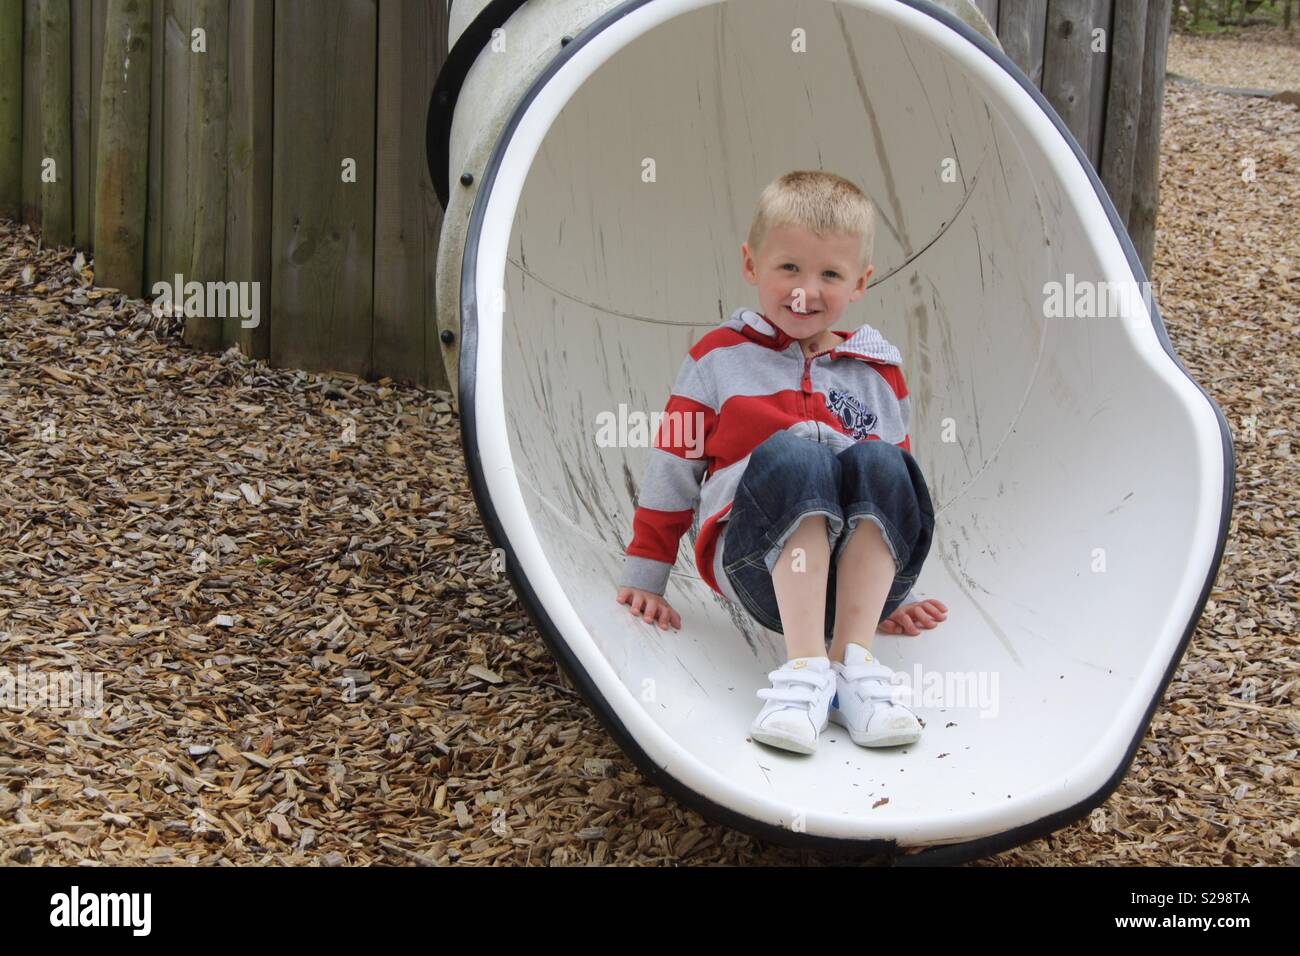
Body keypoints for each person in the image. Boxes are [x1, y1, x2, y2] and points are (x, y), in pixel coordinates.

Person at [615, 170, 946, 755]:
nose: (805, 290)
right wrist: (648, 572)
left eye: (830, 274)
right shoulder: (718, 358)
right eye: (788, 268)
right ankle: (803, 677)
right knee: (797, 451)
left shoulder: (878, 371)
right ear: (752, 265)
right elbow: (675, 460)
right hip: (759, 565)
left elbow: (893, 490)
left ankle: (854, 672)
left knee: (880, 459)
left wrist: (898, 589)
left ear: (861, 282)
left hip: (852, 585)